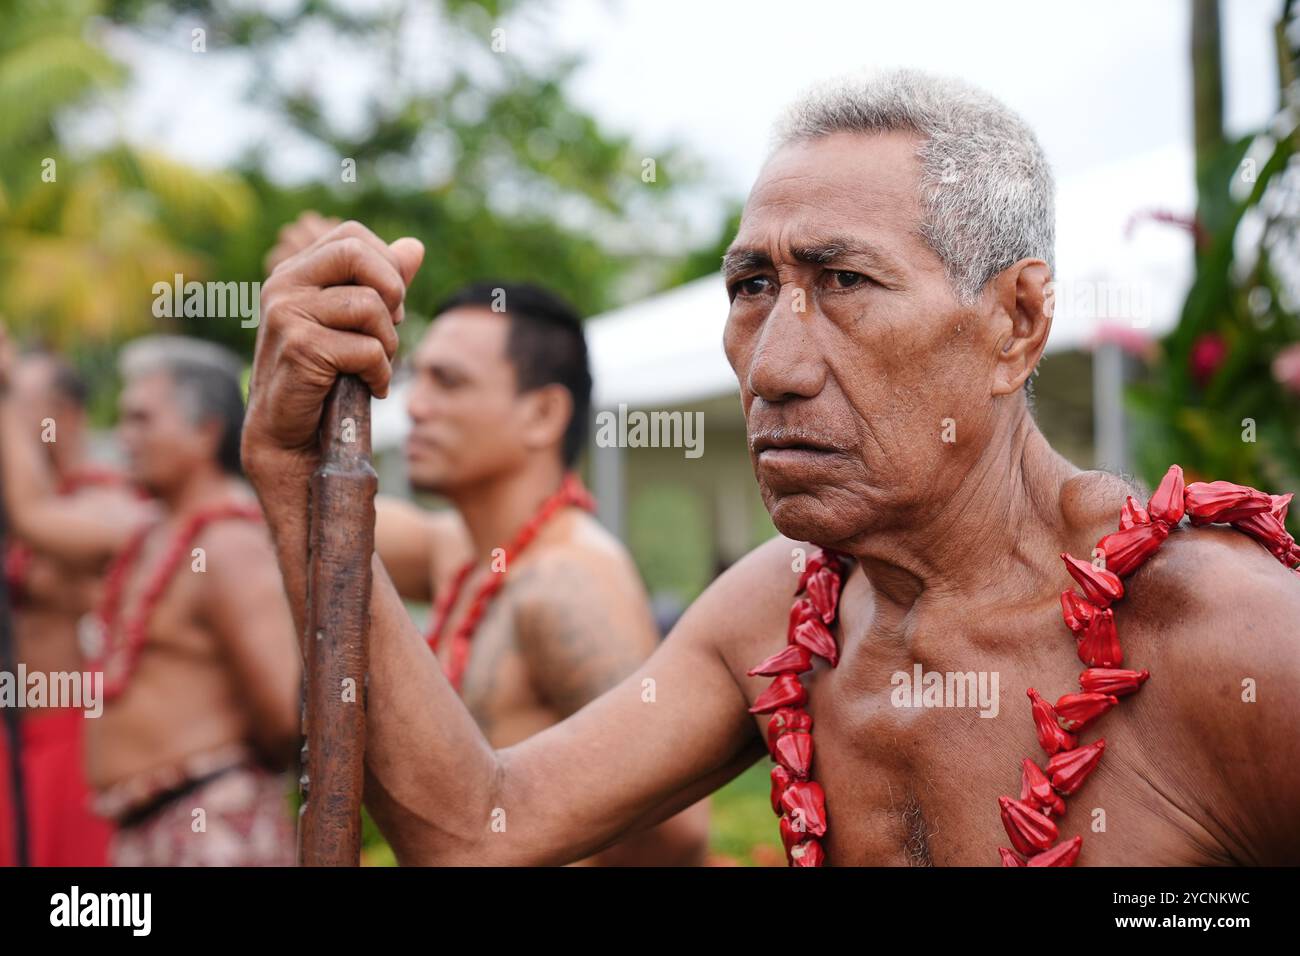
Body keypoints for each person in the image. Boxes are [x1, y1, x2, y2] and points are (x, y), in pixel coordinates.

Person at [243, 69, 1300, 866]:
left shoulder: (1232, 642)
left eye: (843, 279)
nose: (778, 367)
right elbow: (476, 825)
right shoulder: (783, 615)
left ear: (1015, 321)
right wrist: (293, 475)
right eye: (751, 285)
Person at [267, 220, 710, 864]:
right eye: (418, 378)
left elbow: (680, 829)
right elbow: (318, 512)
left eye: (450, 382)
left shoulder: (568, 582)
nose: (415, 407)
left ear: (542, 414)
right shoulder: (459, 549)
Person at [1, 335, 301, 866]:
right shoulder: (150, 535)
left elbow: (283, 720)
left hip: (208, 825)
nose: (124, 437)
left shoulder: (228, 544)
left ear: (205, 430)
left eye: (142, 420)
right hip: (151, 826)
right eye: (123, 419)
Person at [0, 349, 134, 866]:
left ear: (66, 415)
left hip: (67, 735)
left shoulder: (105, 501)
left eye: (18, 402)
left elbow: (40, 518)